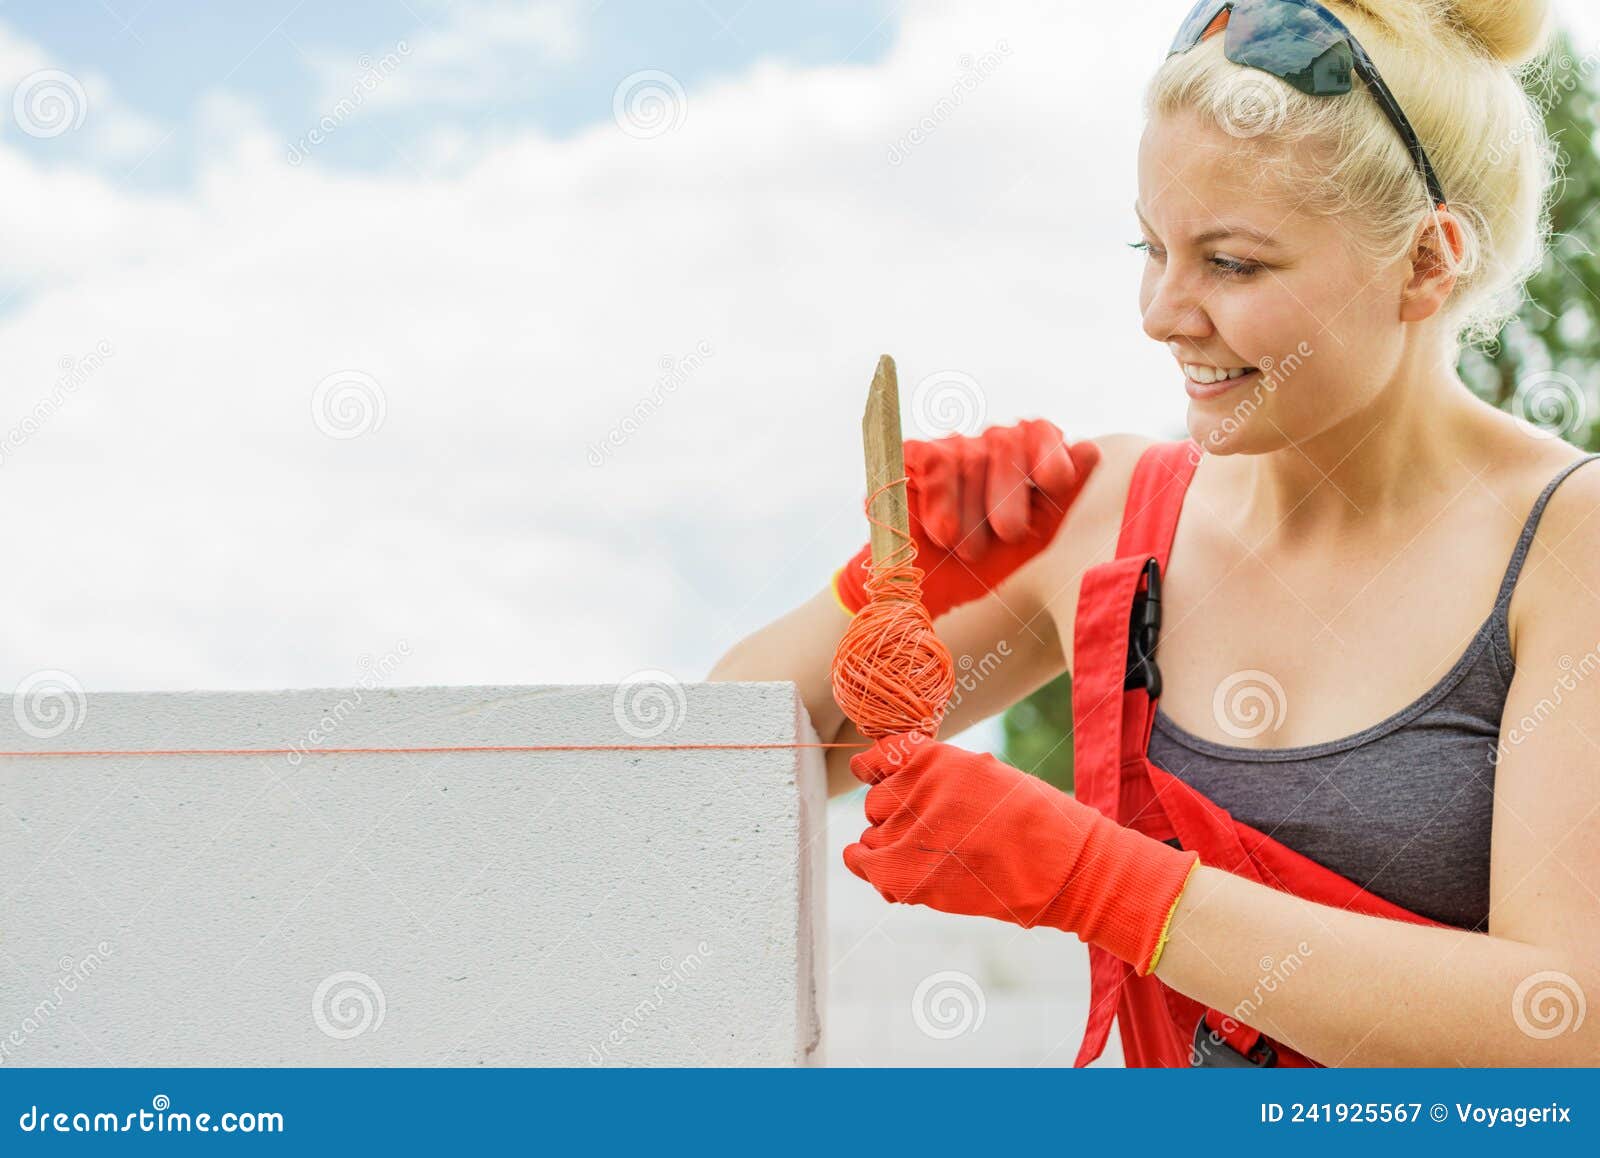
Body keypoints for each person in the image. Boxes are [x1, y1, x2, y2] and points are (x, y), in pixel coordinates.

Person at [709, 0, 1600, 1066]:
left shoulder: (1567, 547)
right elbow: (739, 754)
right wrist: (888, 585)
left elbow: (1566, 1022)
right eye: (1152, 246)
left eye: (1231, 264)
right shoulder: (1106, 515)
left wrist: (1097, 881)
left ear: (1424, 263)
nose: (1162, 312)